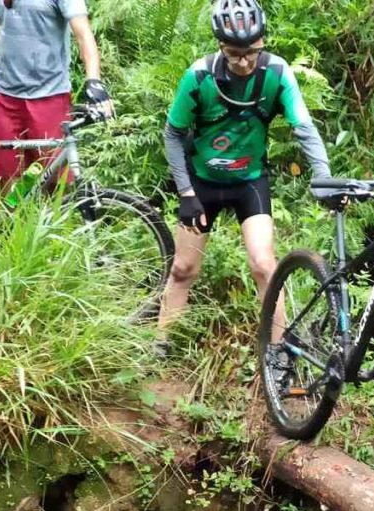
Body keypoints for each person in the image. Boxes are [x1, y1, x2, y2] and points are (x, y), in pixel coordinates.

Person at [157, 0, 332, 352]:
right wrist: (186, 191)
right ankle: (160, 346)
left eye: (251, 52)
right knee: (182, 268)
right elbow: (173, 134)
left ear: (262, 41)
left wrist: (323, 176)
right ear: (220, 46)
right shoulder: (199, 76)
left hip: (249, 181)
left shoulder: (277, 74)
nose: (243, 62)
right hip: (202, 183)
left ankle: (277, 353)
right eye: (234, 53)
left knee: (264, 265)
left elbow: (304, 127)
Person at [0, 0, 113, 183]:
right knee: (2, 183)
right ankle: (8, 211)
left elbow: (83, 34)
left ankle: (36, 208)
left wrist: (94, 81)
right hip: (3, 98)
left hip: (50, 97)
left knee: (56, 184)